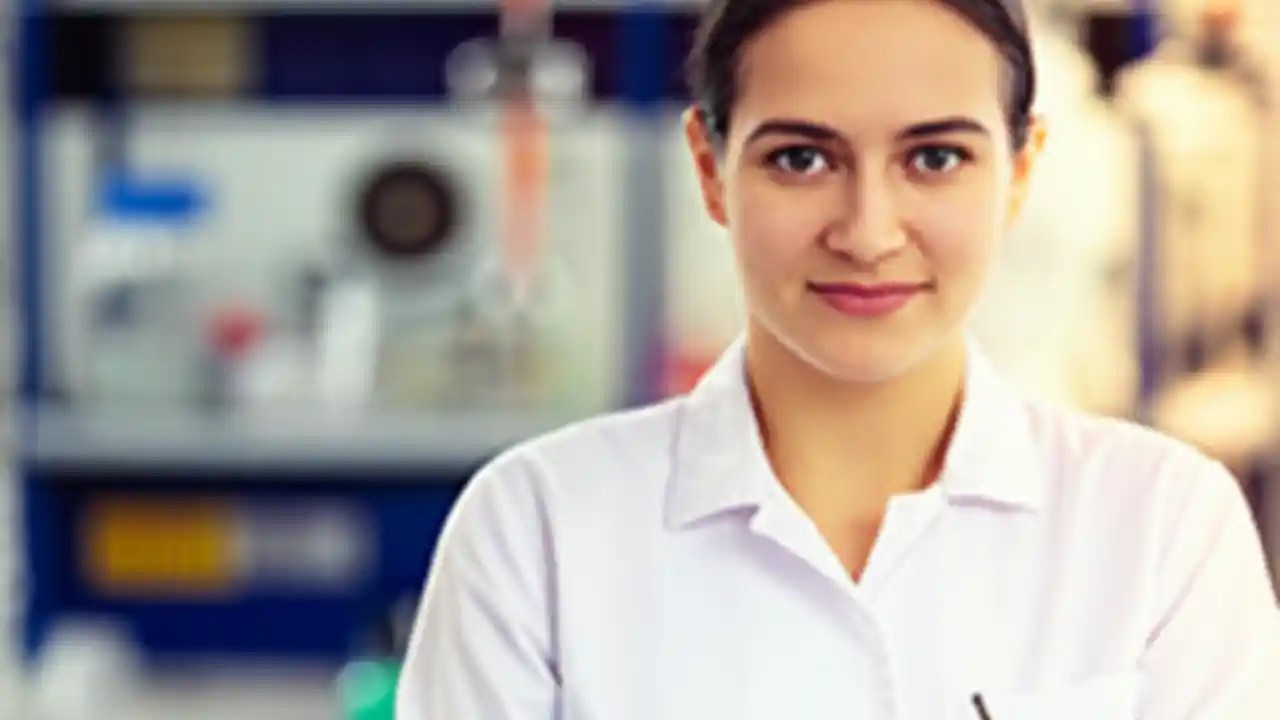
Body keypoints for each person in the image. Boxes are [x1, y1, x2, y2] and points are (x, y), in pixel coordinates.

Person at [398, 0, 1280, 717]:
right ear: (709, 169)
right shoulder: (538, 530)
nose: (867, 233)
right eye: (801, 159)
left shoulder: (1160, 526)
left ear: (1019, 171)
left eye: (934, 158)